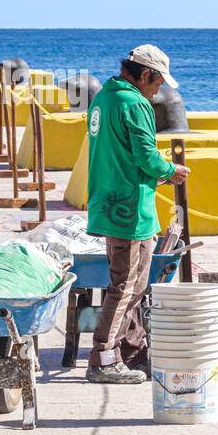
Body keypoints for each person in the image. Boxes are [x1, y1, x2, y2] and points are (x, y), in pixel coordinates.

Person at [84, 44, 189, 384]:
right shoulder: (135, 103)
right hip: (130, 209)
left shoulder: (103, 98)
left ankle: (130, 352)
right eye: (157, 83)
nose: (158, 91)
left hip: (109, 202)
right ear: (144, 75)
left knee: (129, 283)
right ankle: (103, 358)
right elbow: (146, 156)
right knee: (127, 287)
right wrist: (170, 169)